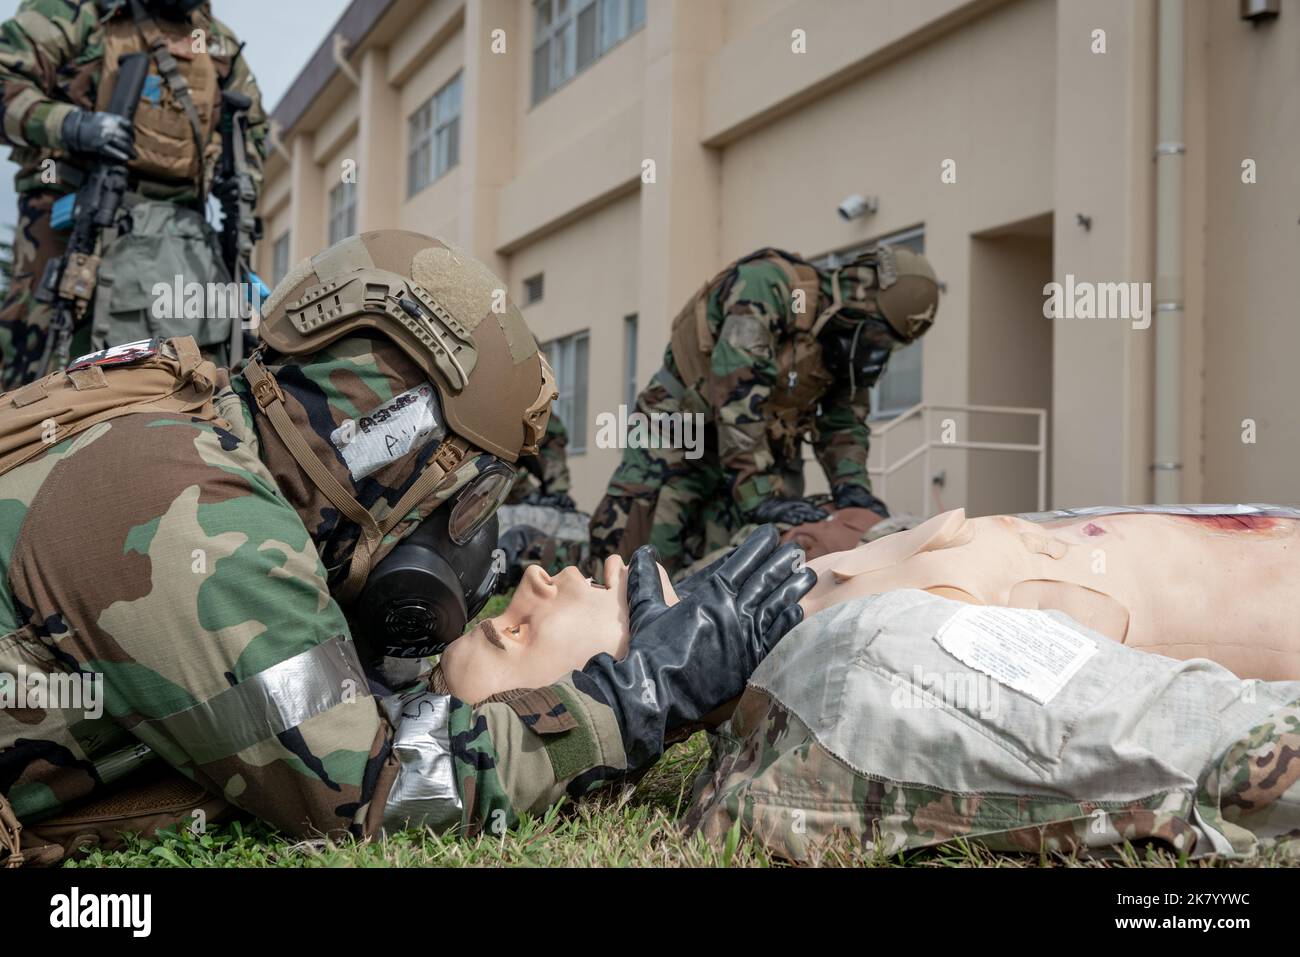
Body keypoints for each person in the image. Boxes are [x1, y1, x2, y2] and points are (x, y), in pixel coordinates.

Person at [0, 229, 816, 866]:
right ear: (397, 438)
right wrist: (642, 696)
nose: (467, 529)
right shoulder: (202, 515)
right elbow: (375, 789)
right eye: (467, 492)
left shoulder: (199, 431)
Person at [435, 503, 1300, 861]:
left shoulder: (764, 609)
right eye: (508, 635)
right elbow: (1230, 755)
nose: (535, 583)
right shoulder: (849, 671)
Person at [589, 244, 939, 575]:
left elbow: (843, 421)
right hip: (682, 426)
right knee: (637, 552)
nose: (876, 352)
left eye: (888, 347)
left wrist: (853, 489)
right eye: (877, 338)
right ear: (860, 299)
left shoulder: (847, 344)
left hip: (758, 441)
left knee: (745, 556)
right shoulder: (767, 284)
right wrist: (757, 493)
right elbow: (737, 389)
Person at [0, 0, 267, 387]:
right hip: (73, 216)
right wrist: (73, 124)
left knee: (198, 361)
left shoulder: (214, 40)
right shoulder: (80, 14)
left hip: (182, 236)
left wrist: (236, 175)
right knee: (39, 365)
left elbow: (253, 128)